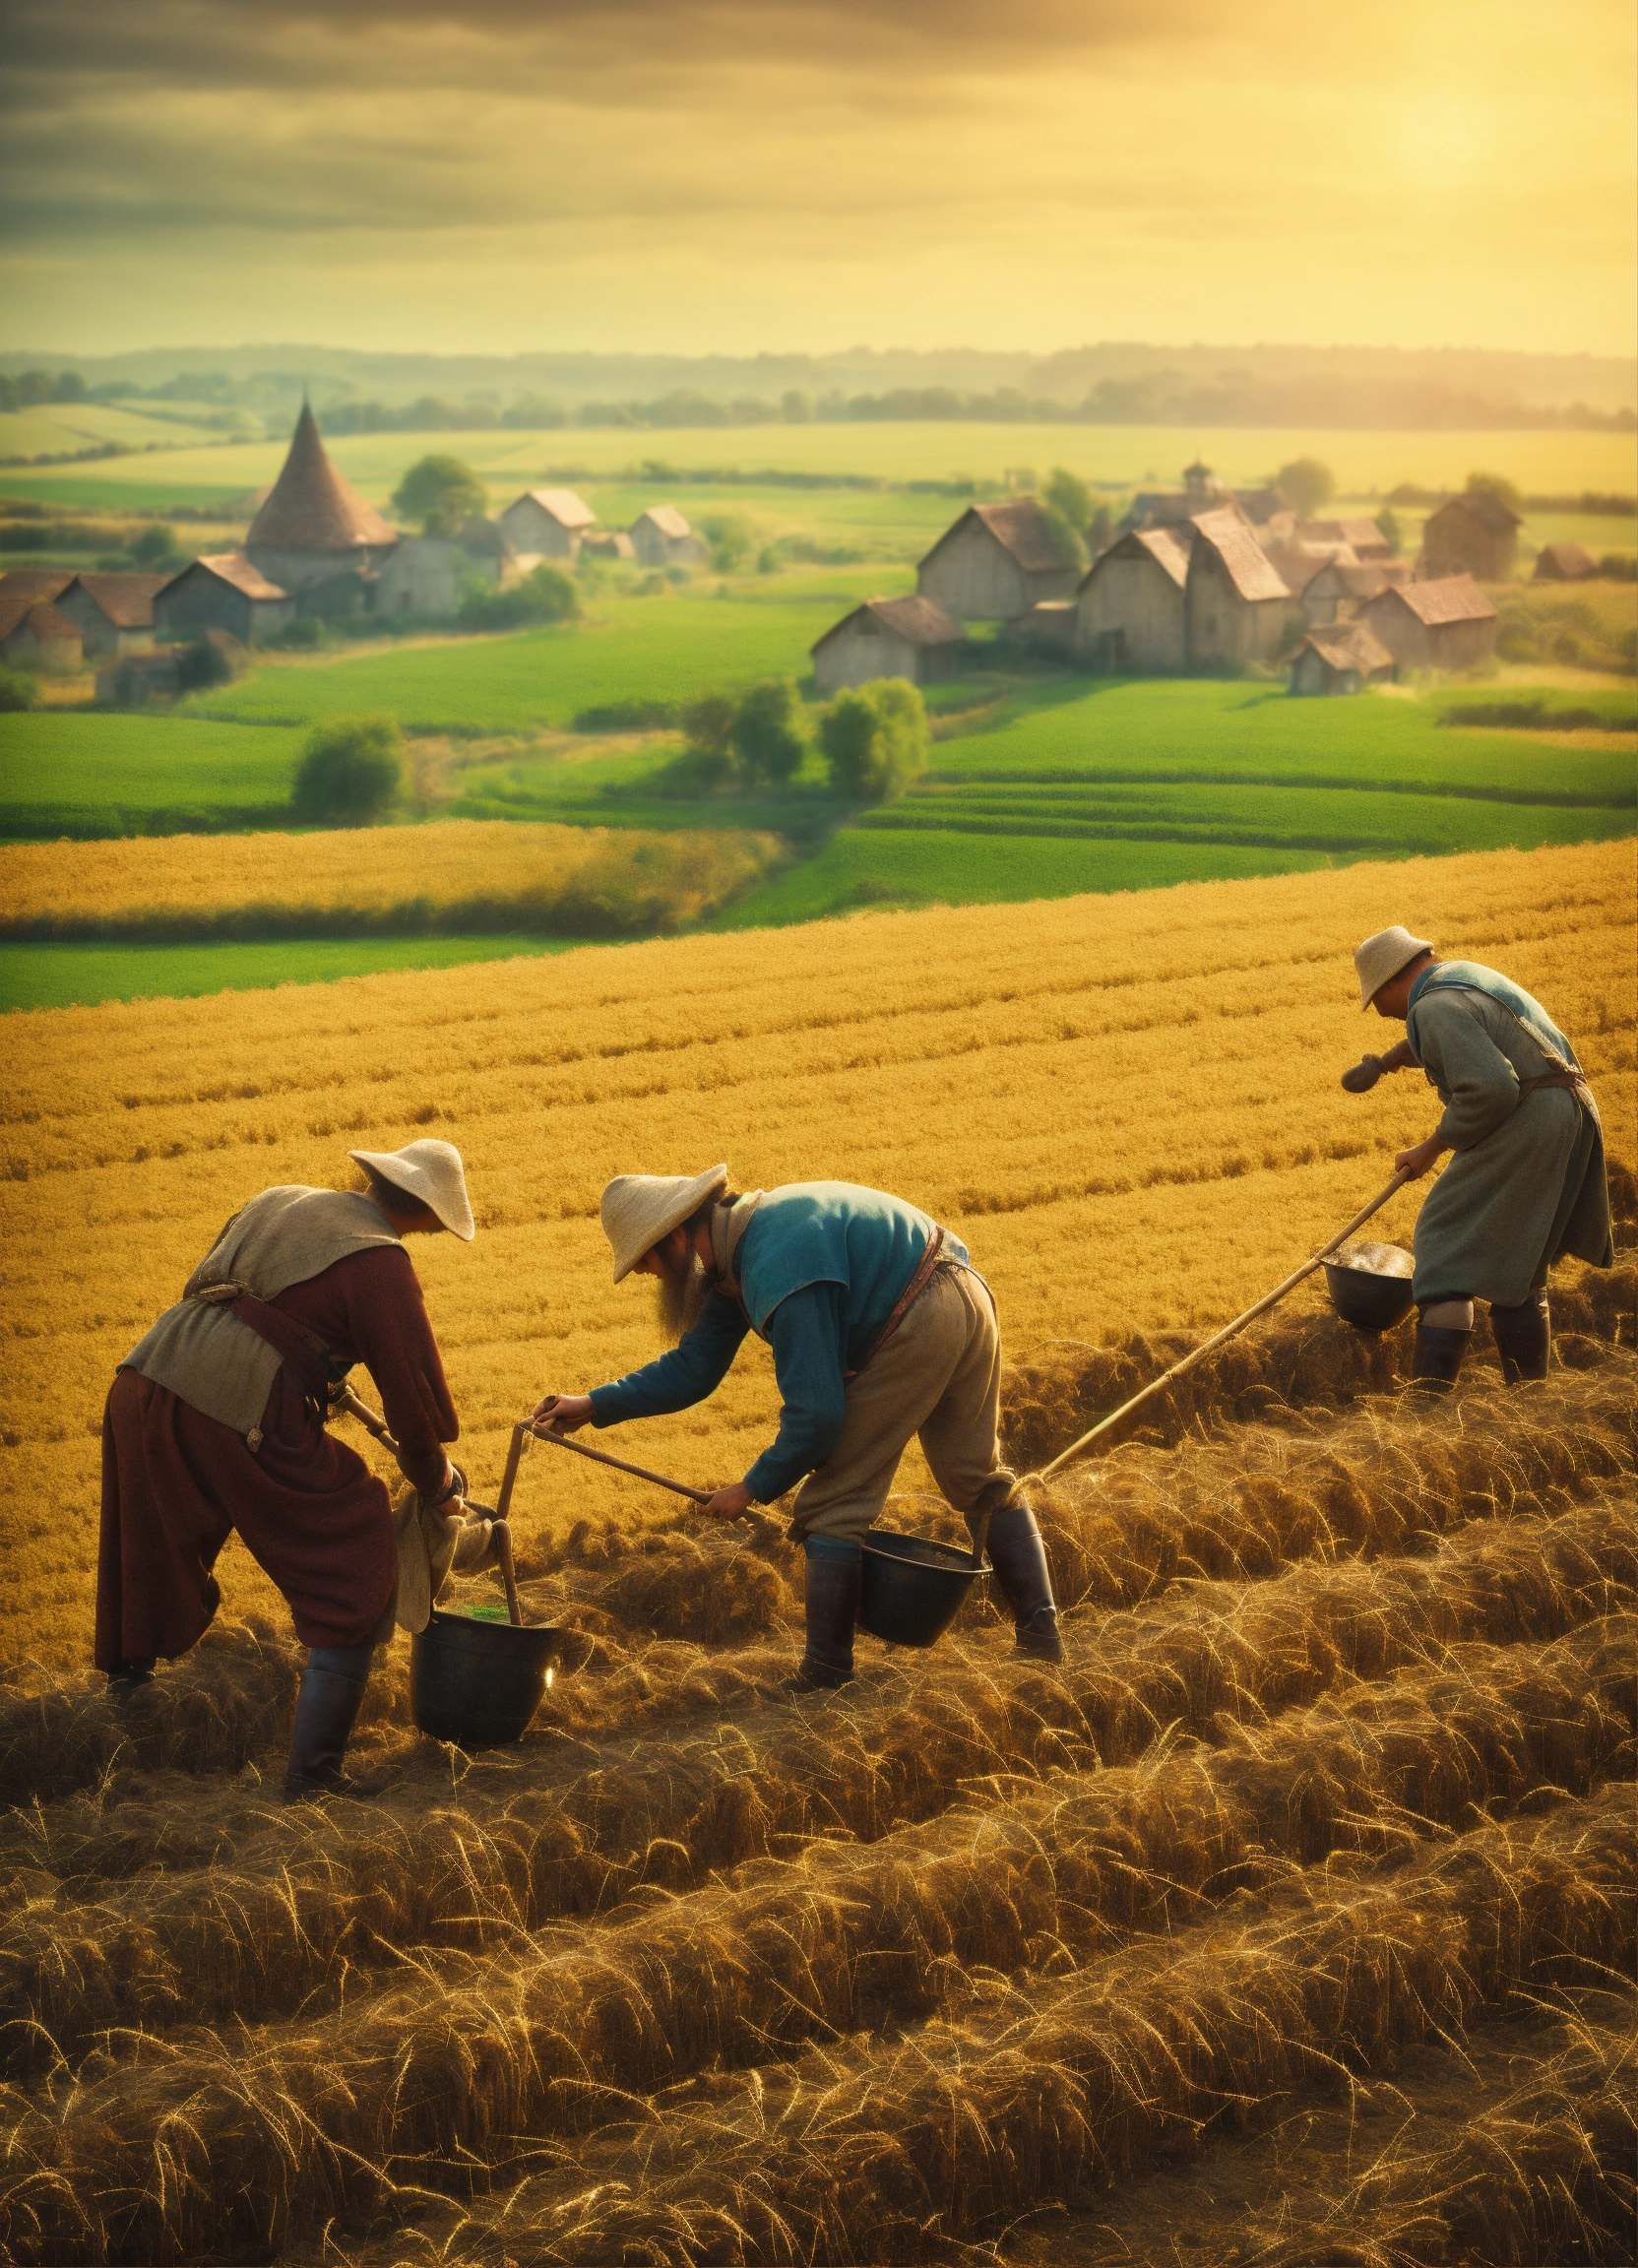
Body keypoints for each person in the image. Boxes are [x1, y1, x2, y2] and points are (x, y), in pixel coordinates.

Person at [536, 1166, 1062, 1686]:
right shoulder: (738, 1255)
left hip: (918, 1317)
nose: (649, 1276)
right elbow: (692, 1369)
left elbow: (816, 1416)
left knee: (833, 1505)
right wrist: (595, 1405)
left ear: (674, 1236)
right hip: (966, 1295)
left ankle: (826, 1673)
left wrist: (752, 1487)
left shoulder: (777, 1264)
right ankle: (1043, 1638)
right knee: (975, 1477)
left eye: (646, 1261)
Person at [95, 1139, 482, 1797]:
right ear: (421, 1209)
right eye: (434, 1223)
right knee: (356, 1544)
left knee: (146, 1559)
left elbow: (242, 1306)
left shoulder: (282, 1201)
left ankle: (115, 1746)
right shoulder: (380, 1260)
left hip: (146, 1378)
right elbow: (414, 1412)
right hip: (235, 1402)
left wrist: (314, 1376)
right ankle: (314, 1777)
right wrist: (439, 1484)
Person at [1351, 926, 1612, 1390]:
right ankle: (1531, 1403)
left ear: (1392, 981)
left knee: (1443, 1242)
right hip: (1570, 1111)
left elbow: (1491, 1087)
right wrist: (1394, 1057)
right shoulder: (1464, 978)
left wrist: (1430, 1149)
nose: (1384, 1013)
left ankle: (1427, 1411)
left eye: (1378, 1001)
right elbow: (1474, 1035)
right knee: (1522, 1266)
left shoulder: (1431, 1005)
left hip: (1529, 1117)